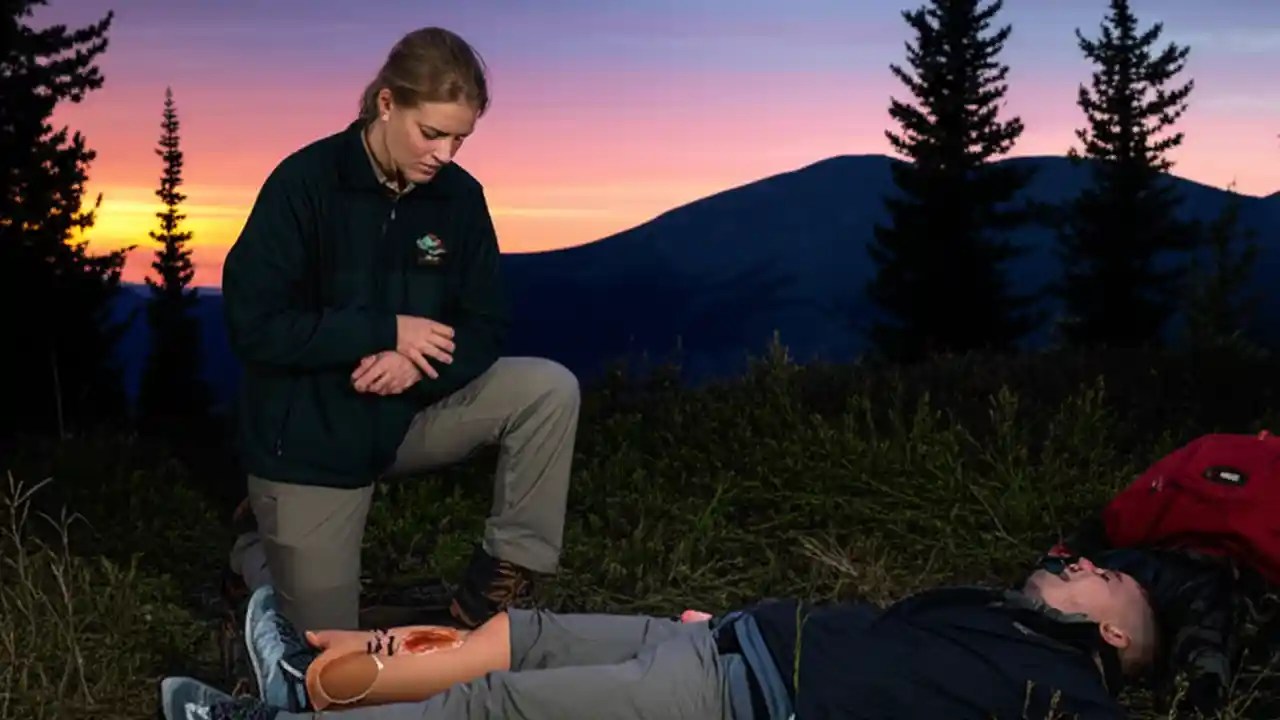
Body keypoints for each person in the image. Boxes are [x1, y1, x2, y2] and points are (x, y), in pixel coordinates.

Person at [219, 25, 581, 635]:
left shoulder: (459, 200)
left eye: (460, 139)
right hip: (311, 443)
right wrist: (383, 331)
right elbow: (254, 326)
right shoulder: (305, 184)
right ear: (387, 103)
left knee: (548, 390)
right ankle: (253, 555)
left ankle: (498, 583)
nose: (444, 154)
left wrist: (415, 360)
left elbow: (486, 321)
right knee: (330, 655)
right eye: (432, 133)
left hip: (406, 415)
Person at [159, 555, 1157, 719]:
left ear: (1110, 629)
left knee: (495, 706)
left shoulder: (1068, 694)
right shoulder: (993, 619)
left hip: (731, 702)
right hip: (722, 642)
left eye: (1098, 574)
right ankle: (313, 678)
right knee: (519, 635)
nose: (1076, 560)